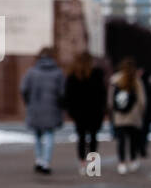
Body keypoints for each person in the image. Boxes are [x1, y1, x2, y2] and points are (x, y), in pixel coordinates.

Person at [20, 47, 66, 175]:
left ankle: (39, 159)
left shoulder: (31, 72)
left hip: (35, 108)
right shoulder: (58, 73)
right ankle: (46, 162)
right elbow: (63, 92)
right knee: (49, 135)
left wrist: (28, 102)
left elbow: (23, 89)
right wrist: (60, 105)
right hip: (52, 108)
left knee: (37, 136)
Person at [64, 51, 107, 175]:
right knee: (93, 137)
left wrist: (71, 111)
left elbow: (68, 96)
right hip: (94, 111)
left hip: (80, 113)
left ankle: (83, 163)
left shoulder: (73, 76)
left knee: (81, 137)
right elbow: (101, 94)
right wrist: (102, 109)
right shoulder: (96, 75)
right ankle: (93, 166)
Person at [109, 58, 146, 174]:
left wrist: (113, 110)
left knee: (121, 141)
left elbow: (110, 99)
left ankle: (121, 163)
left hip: (119, 115)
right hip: (133, 115)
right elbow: (142, 99)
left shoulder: (115, 79)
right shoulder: (136, 80)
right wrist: (141, 111)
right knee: (133, 140)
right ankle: (133, 160)